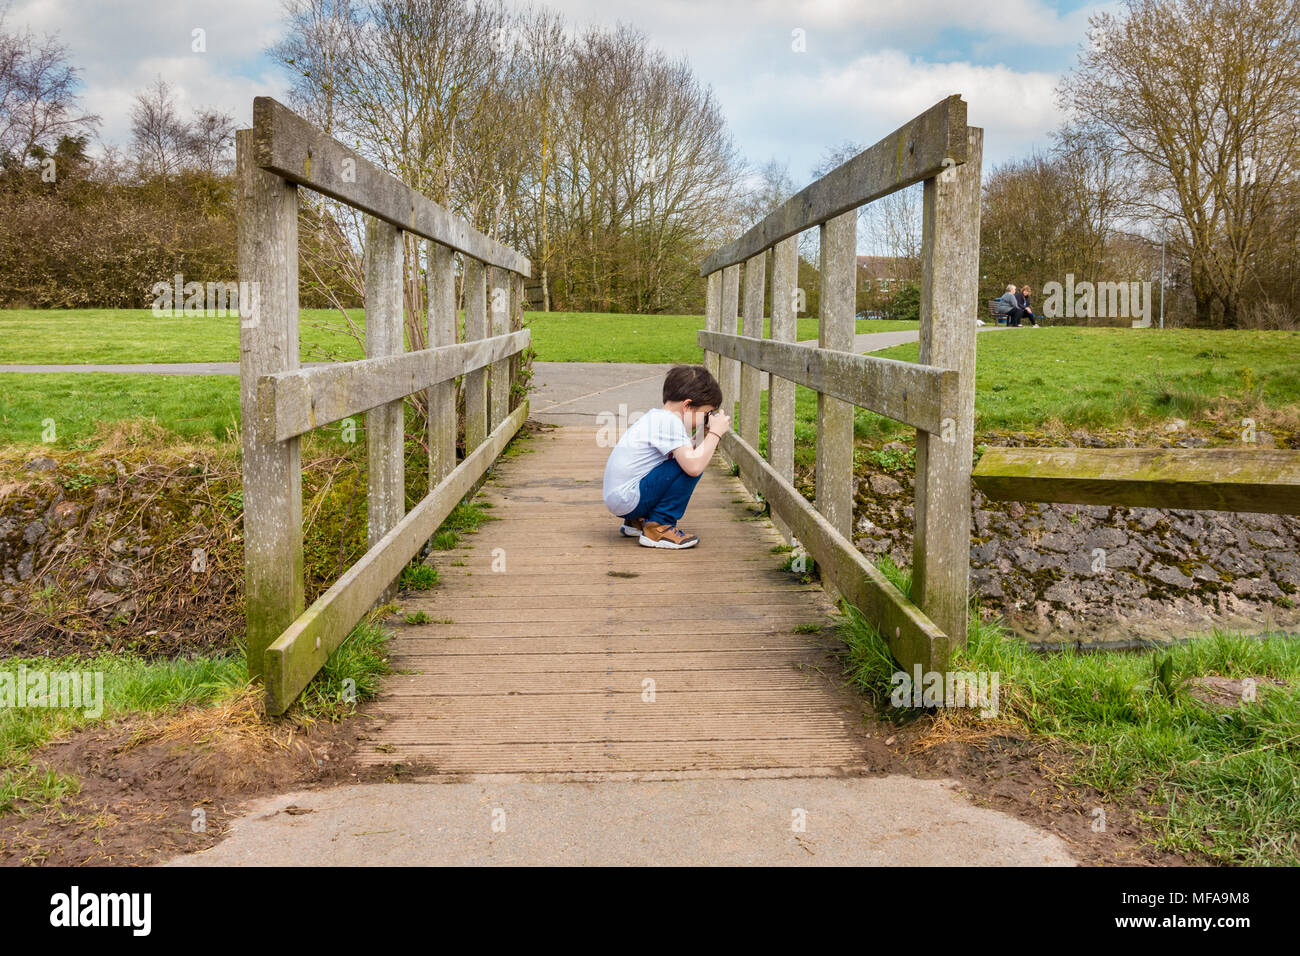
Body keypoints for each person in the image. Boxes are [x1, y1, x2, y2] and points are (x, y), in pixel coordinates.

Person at [602, 365, 729, 549]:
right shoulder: (670, 423)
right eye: (706, 413)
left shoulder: (660, 417)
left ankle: (636, 521)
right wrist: (716, 434)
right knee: (691, 467)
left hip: (621, 499)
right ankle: (659, 526)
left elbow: (685, 451)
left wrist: (705, 432)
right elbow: (693, 466)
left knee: (686, 459)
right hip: (628, 498)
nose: (706, 418)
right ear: (687, 405)